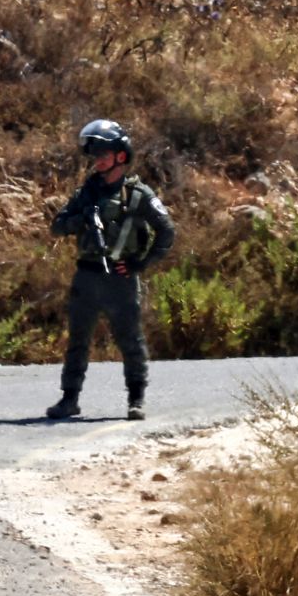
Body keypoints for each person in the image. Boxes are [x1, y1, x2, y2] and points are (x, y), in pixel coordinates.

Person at [46, 119, 174, 422]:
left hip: (120, 278)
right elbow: (57, 226)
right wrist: (81, 220)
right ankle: (69, 399)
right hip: (87, 276)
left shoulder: (139, 195)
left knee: (130, 340)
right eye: (95, 154)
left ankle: (136, 399)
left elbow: (166, 232)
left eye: (103, 153)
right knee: (78, 340)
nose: (98, 160)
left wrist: (139, 264)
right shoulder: (85, 193)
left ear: (120, 155)